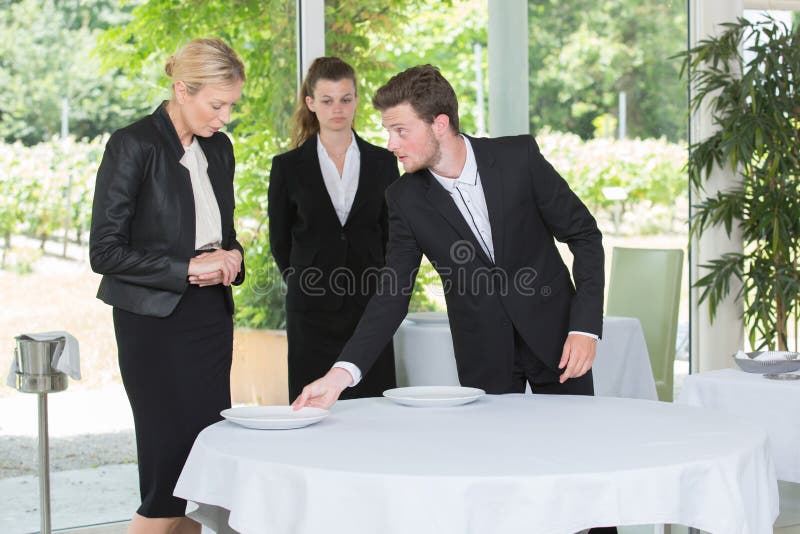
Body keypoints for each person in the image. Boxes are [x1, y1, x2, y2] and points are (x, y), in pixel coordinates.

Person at [89, 38, 245, 534]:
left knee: (200, 474)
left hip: (209, 322)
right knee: (165, 478)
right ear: (182, 89)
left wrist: (234, 257)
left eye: (230, 106)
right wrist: (186, 268)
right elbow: (105, 252)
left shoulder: (219, 149)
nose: (223, 117)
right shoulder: (132, 144)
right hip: (153, 325)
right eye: (216, 104)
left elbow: (224, 233)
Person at [268, 56, 399, 400]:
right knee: (312, 409)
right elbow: (280, 241)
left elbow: (392, 235)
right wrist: (304, 279)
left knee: (374, 410)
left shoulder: (383, 162)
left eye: (345, 99)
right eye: (327, 100)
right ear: (311, 103)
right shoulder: (287, 167)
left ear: (356, 100)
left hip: (369, 308)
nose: (337, 109)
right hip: (310, 312)